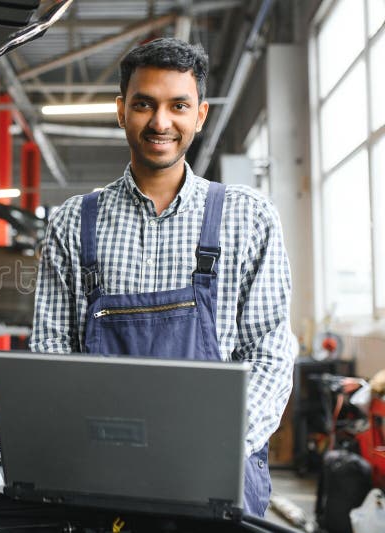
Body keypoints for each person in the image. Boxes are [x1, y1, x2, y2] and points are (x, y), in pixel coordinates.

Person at [29, 37, 296, 517]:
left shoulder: (249, 218)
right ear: (120, 110)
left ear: (201, 114)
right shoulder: (72, 223)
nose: (160, 122)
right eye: (144, 104)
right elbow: (52, 355)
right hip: (102, 473)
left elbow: (271, 352)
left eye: (178, 105)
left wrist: (216, 447)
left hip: (218, 473)